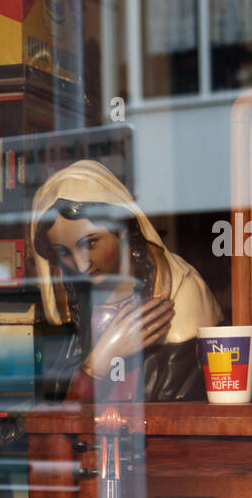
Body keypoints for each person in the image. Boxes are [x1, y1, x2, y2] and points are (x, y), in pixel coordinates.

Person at [30, 160, 221, 402]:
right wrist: (103, 357)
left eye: (90, 243)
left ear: (122, 230)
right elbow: (57, 402)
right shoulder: (78, 298)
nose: (79, 265)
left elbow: (174, 405)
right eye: (63, 252)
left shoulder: (180, 294)